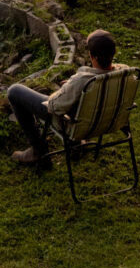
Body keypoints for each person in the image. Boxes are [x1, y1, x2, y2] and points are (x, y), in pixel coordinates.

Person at [7, 28, 131, 169]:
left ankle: (38, 151)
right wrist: (72, 87)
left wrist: (64, 90)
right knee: (73, 100)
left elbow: (53, 106)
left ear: (93, 57)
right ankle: (76, 146)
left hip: (76, 127)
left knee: (14, 91)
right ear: (113, 52)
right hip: (109, 122)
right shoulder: (125, 72)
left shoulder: (82, 81)